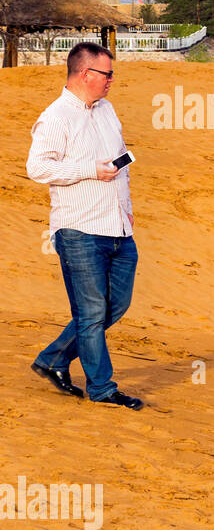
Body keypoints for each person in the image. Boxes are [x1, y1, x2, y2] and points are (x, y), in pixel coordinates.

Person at [26, 41, 143, 410]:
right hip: (79, 230)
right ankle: (103, 389)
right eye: (106, 74)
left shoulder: (107, 110)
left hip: (118, 229)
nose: (111, 81)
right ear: (84, 73)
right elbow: (37, 168)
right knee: (91, 314)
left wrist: (126, 209)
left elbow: (119, 165)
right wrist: (88, 170)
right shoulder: (56, 116)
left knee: (115, 306)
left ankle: (54, 359)